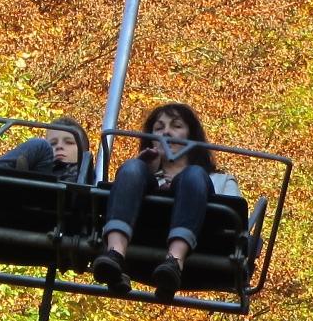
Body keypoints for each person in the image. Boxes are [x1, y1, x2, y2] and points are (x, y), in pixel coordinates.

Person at [91, 102, 238, 302]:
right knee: (132, 167)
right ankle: (115, 253)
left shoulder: (220, 181)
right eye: (159, 128)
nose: (166, 132)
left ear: (191, 136)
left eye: (176, 126)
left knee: (193, 175)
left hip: (204, 243)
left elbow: (235, 223)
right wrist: (148, 175)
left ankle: (175, 260)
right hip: (144, 234)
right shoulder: (138, 175)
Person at [0, 116, 88, 183]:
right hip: (42, 178)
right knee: (42, 146)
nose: (59, 146)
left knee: (41, 145)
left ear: (84, 150)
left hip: (61, 194)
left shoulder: (85, 174)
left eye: (69, 142)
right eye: (53, 143)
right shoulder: (42, 162)